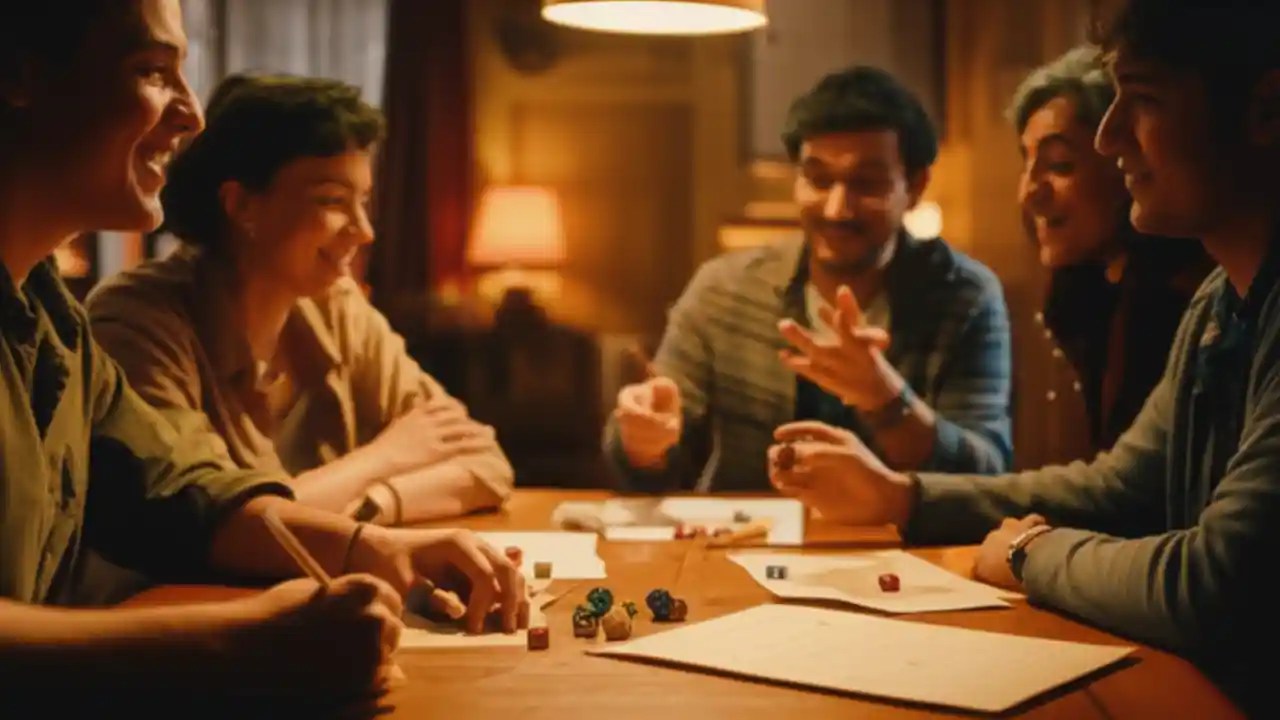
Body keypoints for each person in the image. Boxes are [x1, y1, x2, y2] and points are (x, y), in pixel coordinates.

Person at [0, 0, 524, 705]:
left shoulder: (49, 314)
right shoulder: (133, 312)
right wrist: (231, 645)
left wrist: (374, 549)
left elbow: (188, 490)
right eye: (152, 72)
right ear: (20, 74)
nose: (191, 116)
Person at [767, 1, 1280, 712]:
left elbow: (1212, 586)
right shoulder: (1222, 302)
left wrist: (1026, 554)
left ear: (1266, 109)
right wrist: (904, 497)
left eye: (1144, 99)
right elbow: (1118, 489)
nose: (1110, 137)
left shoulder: (988, 292)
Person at [87, 73, 515, 527]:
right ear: (241, 205)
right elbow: (205, 524)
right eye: (332, 201)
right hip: (171, 598)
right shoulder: (137, 321)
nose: (364, 231)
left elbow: (485, 461)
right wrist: (384, 458)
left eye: (363, 201)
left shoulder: (334, 307)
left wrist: (379, 503)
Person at [605, 65, 1012, 492]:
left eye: (866, 184)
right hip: (747, 544)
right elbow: (655, 463)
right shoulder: (723, 290)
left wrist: (886, 401)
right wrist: (643, 441)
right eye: (818, 179)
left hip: (901, 550)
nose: (837, 209)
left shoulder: (964, 295)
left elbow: (985, 478)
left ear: (914, 186)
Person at [1011, 44, 1214, 455]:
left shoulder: (1185, 299)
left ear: (1124, 159)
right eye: (1026, 161)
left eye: (1059, 164)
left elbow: (1132, 497)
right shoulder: (1086, 294)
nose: (1030, 191)